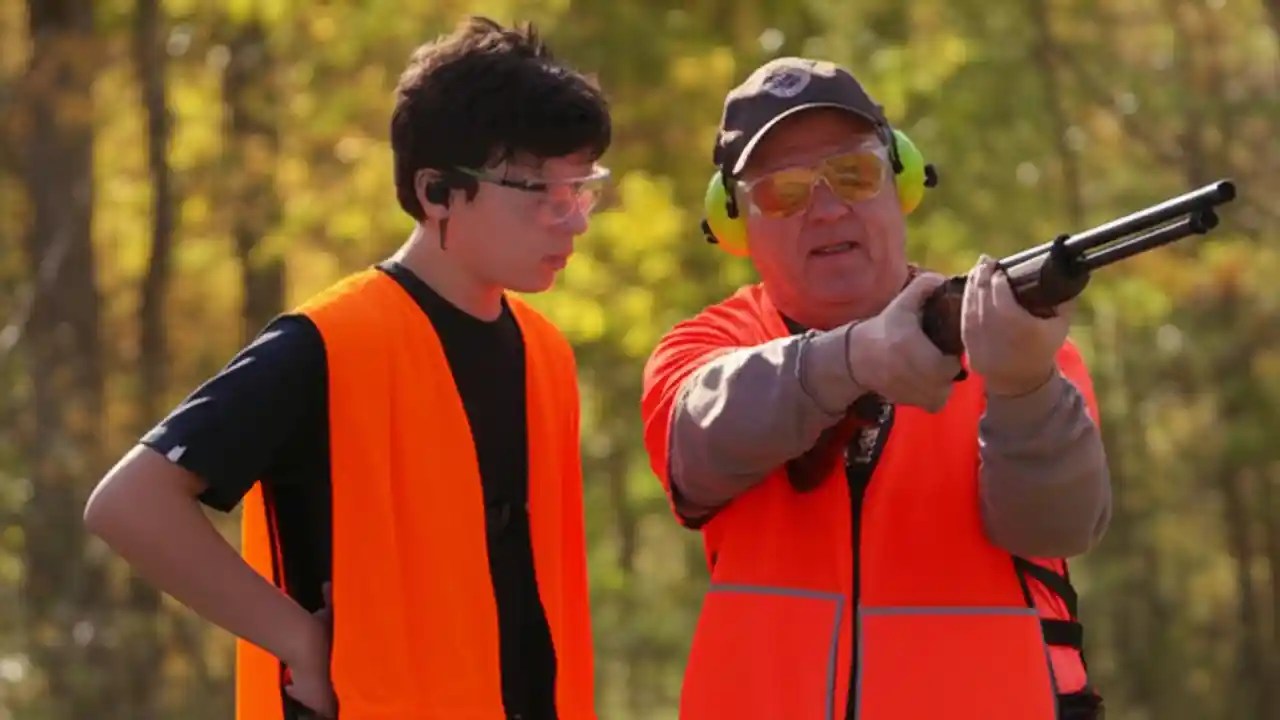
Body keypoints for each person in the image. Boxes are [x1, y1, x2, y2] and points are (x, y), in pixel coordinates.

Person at [84, 16, 610, 720]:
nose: (572, 219)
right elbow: (129, 505)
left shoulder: (545, 355)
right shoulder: (328, 345)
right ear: (437, 192)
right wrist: (297, 639)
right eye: (542, 192)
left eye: (582, 189)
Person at [640, 57, 1112, 720]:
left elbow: (1056, 524)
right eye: (785, 191)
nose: (827, 209)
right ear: (735, 221)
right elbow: (697, 447)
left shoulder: (1020, 345)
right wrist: (855, 359)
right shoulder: (708, 347)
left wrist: (1024, 387)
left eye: (854, 174)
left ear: (903, 182)